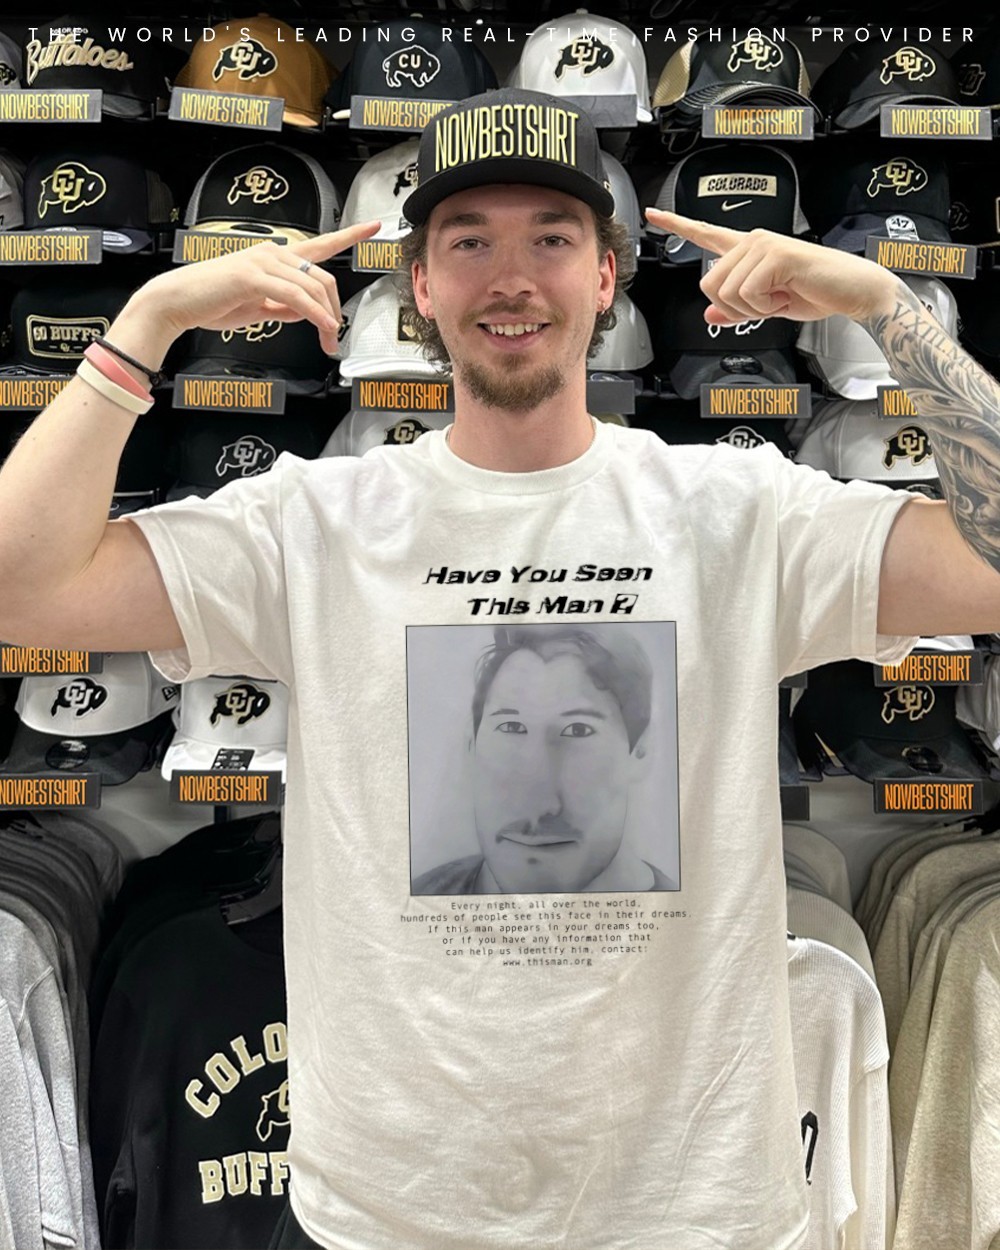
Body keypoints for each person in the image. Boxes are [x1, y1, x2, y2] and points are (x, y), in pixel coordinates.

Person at [0, 86, 999, 1250]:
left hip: (688, 1204)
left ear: (607, 276)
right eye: (468, 242)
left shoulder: (738, 513)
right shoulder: (313, 521)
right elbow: (28, 588)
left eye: (552, 239)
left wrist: (889, 310)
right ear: (418, 287)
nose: (511, 278)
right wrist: (148, 322)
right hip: (391, 1206)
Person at [411, 622, 675, 895]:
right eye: (511, 727)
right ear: (472, 744)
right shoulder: (419, 898)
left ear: (640, 751)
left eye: (578, 730)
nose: (535, 802)